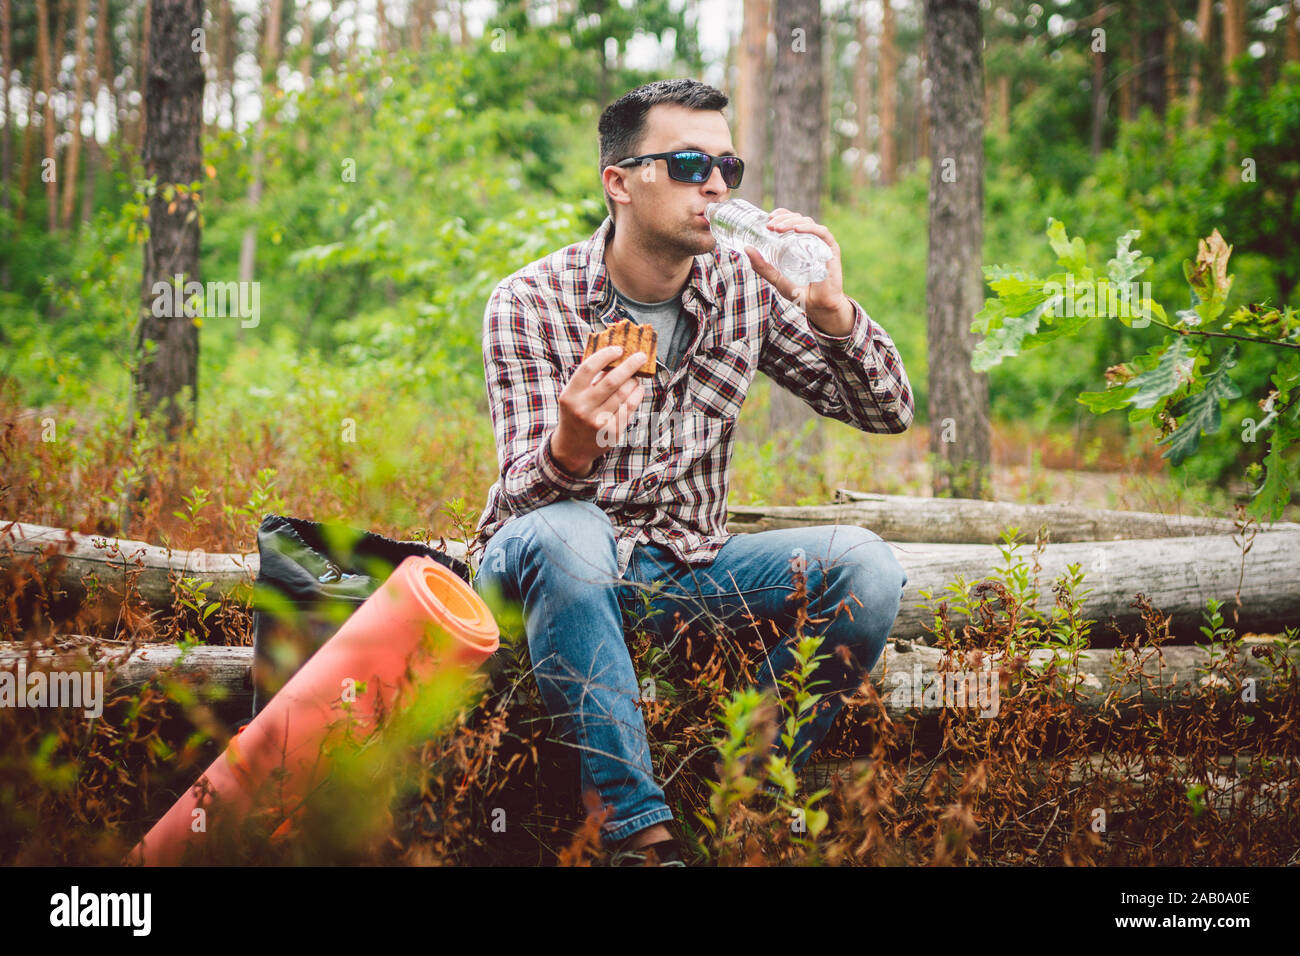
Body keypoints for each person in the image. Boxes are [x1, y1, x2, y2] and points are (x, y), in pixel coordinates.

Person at [469, 78, 913, 866]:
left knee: (867, 568)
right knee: (570, 534)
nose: (714, 185)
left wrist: (834, 318)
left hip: (687, 573)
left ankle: (740, 800)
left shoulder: (742, 286)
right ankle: (640, 838)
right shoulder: (531, 302)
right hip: (545, 576)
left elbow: (887, 414)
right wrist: (571, 445)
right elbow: (523, 512)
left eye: (726, 167)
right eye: (686, 164)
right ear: (620, 183)